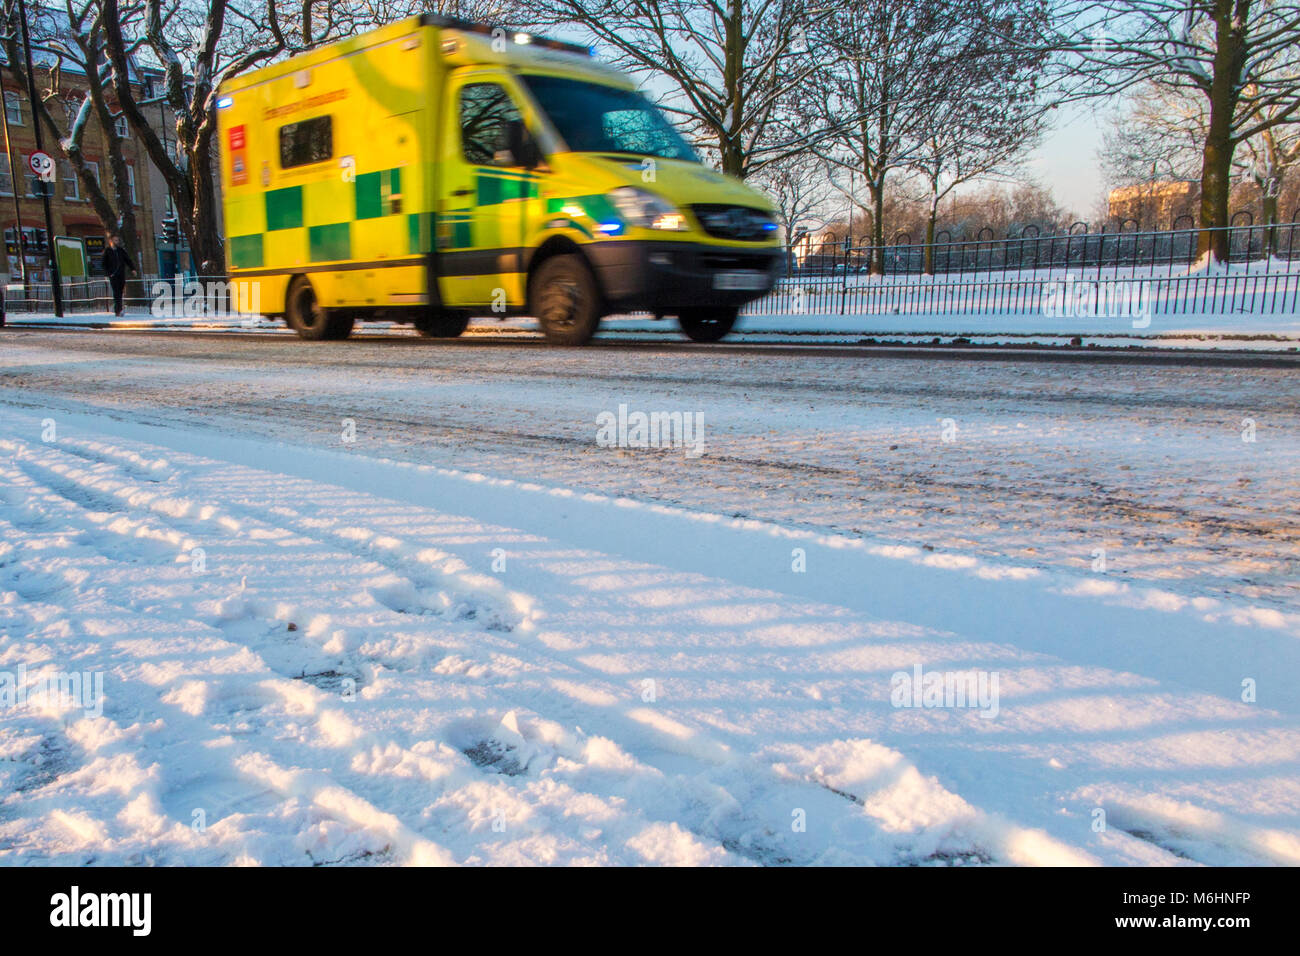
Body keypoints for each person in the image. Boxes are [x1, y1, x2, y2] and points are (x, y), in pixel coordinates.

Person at [101, 233, 136, 316]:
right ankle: (118, 310)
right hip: (113, 275)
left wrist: (133, 269)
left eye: (118, 240)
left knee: (120, 292)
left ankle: (119, 308)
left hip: (121, 274)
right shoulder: (107, 251)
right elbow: (104, 263)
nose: (117, 242)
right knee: (116, 292)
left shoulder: (120, 250)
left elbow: (128, 260)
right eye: (115, 240)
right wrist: (108, 273)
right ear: (111, 241)